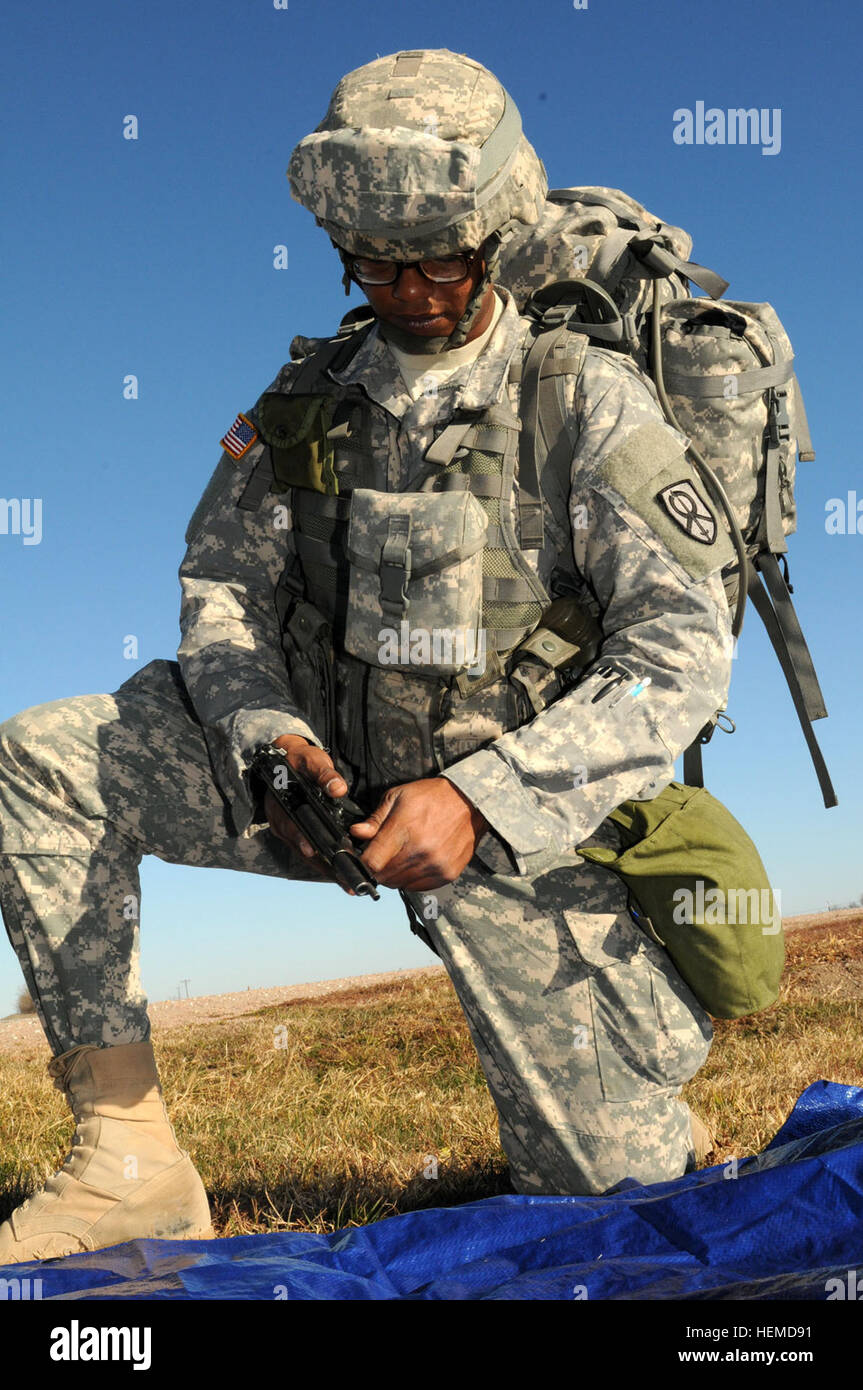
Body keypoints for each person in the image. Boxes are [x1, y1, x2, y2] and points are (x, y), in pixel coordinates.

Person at [0, 48, 731, 1264]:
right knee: (46, 757)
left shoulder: (580, 401)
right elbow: (222, 595)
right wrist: (266, 738)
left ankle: (639, 1085)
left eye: (439, 260)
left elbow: (678, 652)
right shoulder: (305, 404)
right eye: (373, 263)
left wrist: (480, 799)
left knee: (608, 1204)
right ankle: (128, 1165)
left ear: (493, 236)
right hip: (319, 793)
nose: (408, 291)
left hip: (513, 836)